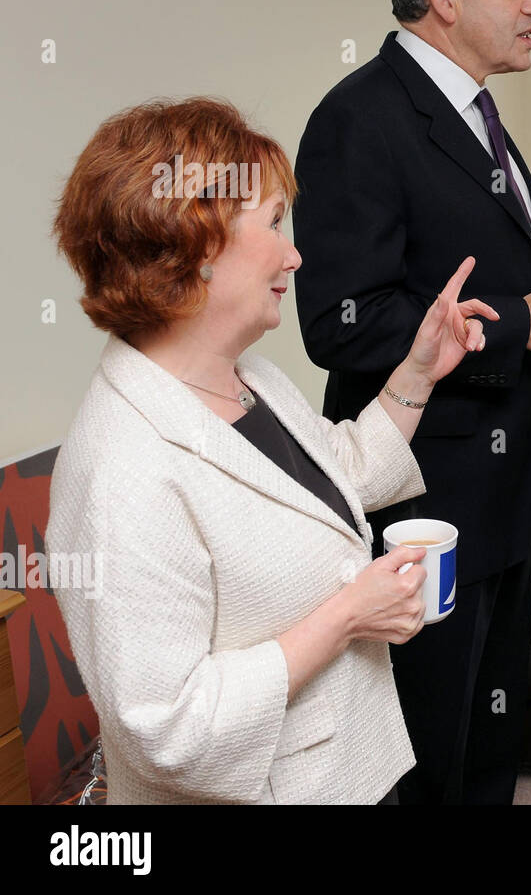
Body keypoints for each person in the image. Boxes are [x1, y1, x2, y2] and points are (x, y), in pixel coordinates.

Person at [47, 97, 498, 804]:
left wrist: (417, 371)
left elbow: (340, 472)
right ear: (197, 244)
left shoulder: (249, 376)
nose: (295, 254)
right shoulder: (122, 472)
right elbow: (168, 731)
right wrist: (348, 615)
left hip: (349, 769)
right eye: (275, 224)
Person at [292, 0, 531, 805]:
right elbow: (343, 321)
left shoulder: (471, 109)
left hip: (503, 494)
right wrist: (527, 322)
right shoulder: (359, 119)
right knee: (424, 754)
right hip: (426, 503)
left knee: (488, 744)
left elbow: (452, 266)